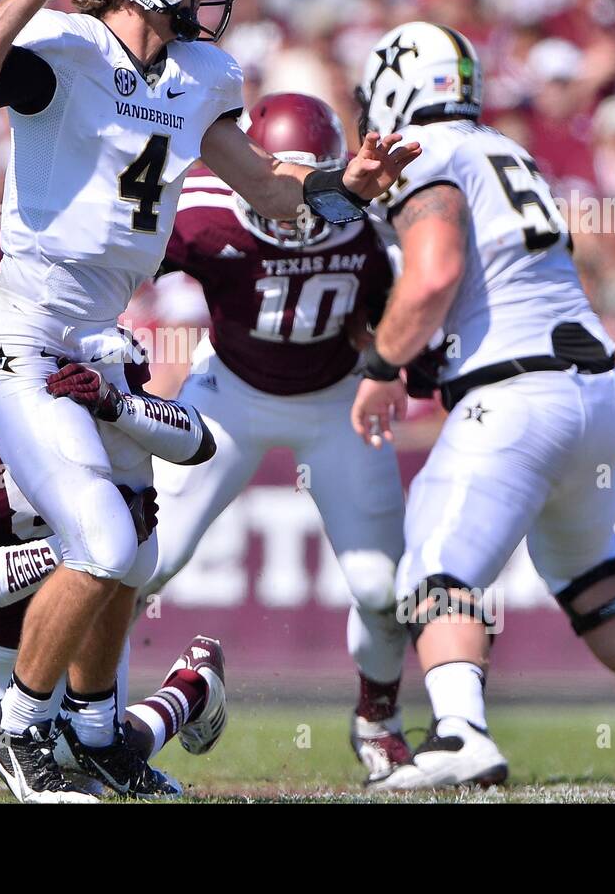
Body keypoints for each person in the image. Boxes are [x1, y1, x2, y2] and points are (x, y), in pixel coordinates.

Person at [0, 0, 418, 801]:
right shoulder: (71, 55)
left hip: (98, 340)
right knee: (104, 545)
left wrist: (343, 188)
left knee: (137, 549)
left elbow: (269, 198)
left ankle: (95, 731)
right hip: (24, 330)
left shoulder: (202, 76)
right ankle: (21, 724)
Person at [349, 21, 615, 788]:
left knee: (437, 561)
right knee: (587, 569)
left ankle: (460, 733)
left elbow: (433, 273)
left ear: (394, 86)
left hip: (515, 393)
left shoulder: (430, 154)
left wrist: (383, 361)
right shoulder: (507, 151)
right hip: (595, 392)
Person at [0, 248, 225, 801]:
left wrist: (117, 404)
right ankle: (189, 691)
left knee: (91, 754)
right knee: (69, 753)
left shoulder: (81, 379)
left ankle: (186, 691)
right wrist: (89, 544)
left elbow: (198, 441)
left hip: (76, 647)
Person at [141, 92, 411, 783]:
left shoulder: (372, 219)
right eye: (284, 182)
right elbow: (121, 265)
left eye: (315, 185)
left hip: (335, 400)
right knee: (144, 561)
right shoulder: (198, 208)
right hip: (232, 390)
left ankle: (378, 723)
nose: (300, 206)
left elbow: (395, 313)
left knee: (382, 588)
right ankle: (88, 711)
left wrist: (384, 353)